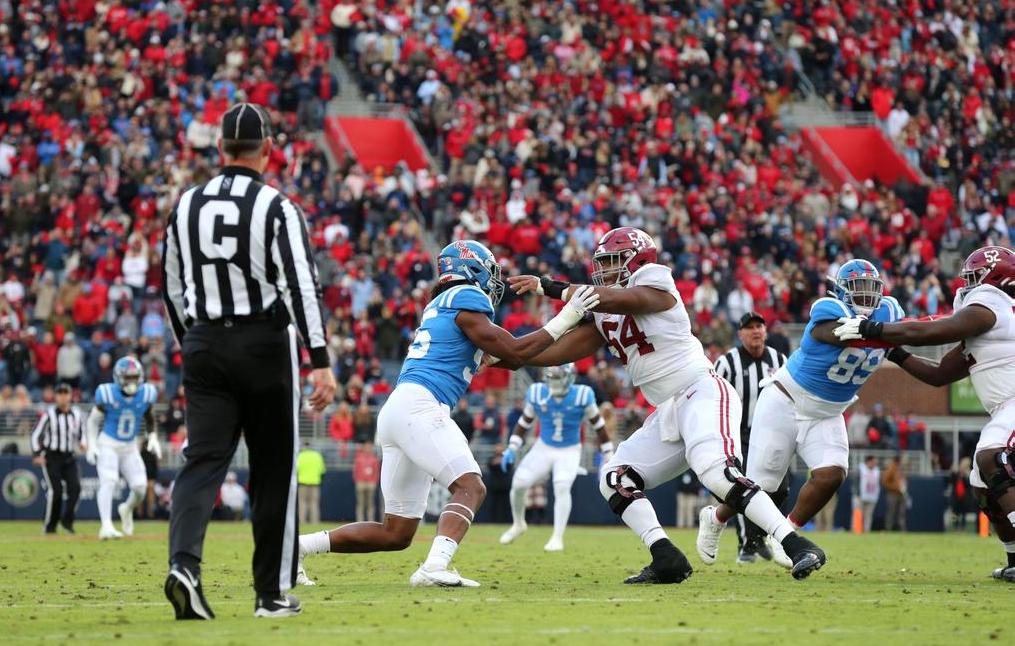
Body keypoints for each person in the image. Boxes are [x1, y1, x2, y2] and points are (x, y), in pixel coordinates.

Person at [507, 227, 826, 583]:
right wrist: (508, 355)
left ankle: (795, 544)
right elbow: (559, 350)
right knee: (614, 478)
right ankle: (666, 557)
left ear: (638, 260)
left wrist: (549, 286)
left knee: (717, 474)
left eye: (613, 261)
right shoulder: (605, 310)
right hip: (669, 409)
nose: (605, 269)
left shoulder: (655, 281)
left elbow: (623, 299)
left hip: (702, 391)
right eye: (603, 263)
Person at [296, 240, 598, 588]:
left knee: (396, 533)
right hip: (422, 405)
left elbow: (518, 357)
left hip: (401, 408)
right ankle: (435, 566)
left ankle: (296, 548)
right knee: (470, 486)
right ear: (472, 269)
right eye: (490, 272)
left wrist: (572, 328)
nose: (493, 282)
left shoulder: (446, 307)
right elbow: (516, 352)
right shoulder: (466, 296)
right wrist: (568, 316)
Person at [161, 103, 338, 619]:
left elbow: (171, 286)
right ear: (268, 149)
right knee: (273, 471)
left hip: (203, 342)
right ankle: (269, 593)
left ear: (219, 148)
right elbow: (302, 285)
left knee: (202, 462)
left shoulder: (186, 205)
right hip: (264, 344)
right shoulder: (277, 207)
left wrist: (191, 343)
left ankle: (184, 565)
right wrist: (319, 358)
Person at [833, 245, 1015, 580]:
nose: (967, 286)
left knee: (991, 457)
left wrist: (873, 330)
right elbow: (938, 375)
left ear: (997, 279)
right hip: (1006, 408)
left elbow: (932, 330)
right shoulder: (989, 329)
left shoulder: (992, 305)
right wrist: (892, 351)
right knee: (981, 483)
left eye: (974, 278)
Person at [713, 259, 905, 564]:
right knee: (760, 487)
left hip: (826, 410)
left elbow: (906, 336)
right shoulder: (828, 310)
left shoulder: (888, 312)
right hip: (782, 404)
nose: (866, 294)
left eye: (871, 287)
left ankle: (784, 535)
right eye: (858, 287)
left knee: (832, 473)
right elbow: (838, 334)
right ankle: (719, 520)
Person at [498, 363, 609, 552]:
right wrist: (512, 447)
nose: (555, 383)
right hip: (544, 447)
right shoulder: (537, 392)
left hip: (569, 449)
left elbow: (599, 425)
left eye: (559, 378)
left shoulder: (582, 395)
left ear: (570, 378)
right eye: (552, 378)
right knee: (519, 483)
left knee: (561, 485)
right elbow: (524, 422)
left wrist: (608, 454)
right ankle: (518, 524)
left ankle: (557, 537)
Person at [713, 311, 788, 563]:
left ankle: (758, 537)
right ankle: (747, 544)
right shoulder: (727, 363)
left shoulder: (779, 359)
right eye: (750, 327)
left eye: (759, 326)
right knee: (746, 485)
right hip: (739, 432)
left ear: (765, 331)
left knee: (780, 488)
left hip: (772, 432)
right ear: (740, 334)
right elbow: (714, 395)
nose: (756, 331)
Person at [85, 357, 160, 540]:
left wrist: (153, 436)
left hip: (130, 446)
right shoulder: (108, 394)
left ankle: (126, 509)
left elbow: (149, 417)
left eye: (134, 377)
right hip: (108, 444)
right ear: (118, 377)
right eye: (127, 377)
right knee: (108, 481)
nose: (131, 381)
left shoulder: (146, 394)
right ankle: (106, 526)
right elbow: (93, 421)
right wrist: (91, 444)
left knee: (140, 488)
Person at [30, 383, 85, 534]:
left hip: (69, 456)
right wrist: (36, 454)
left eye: (65, 393)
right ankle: (50, 525)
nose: (63, 397)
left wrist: (83, 443)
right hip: (52, 457)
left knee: (75, 488)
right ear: (56, 396)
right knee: (56, 491)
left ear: (70, 395)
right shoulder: (49, 414)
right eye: (60, 393)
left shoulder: (77, 414)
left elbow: (82, 433)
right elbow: (36, 435)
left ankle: (67, 522)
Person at [297, 442, 326, 525]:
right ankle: (315, 521)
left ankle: (302, 521)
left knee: (302, 503)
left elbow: (296, 469)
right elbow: (322, 470)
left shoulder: (300, 456)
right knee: (314, 503)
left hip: (302, 482)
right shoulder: (317, 456)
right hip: (315, 483)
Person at [353, 441, 380, 523]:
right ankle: (359, 521)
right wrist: (357, 480)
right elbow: (355, 471)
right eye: (367, 447)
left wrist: (374, 481)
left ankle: (370, 521)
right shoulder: (359, 458)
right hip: (361, 483)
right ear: (364, 448)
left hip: (371, 483)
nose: (368, 449)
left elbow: (376, 471)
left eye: (370, 447)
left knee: (370, 503)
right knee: (360, 503)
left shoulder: (374, 459)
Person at [882, 456, 907, 531]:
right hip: (892, 494)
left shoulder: (901, 469)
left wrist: (903, 487)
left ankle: (902, 529)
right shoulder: (890, 468)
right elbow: (885, 482)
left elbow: (903, 480)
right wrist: (896, 487)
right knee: (891, 512)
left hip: (901, 494)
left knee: (902, 513)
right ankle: (888, 528)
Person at [857, 456, 881, 532]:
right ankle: (857, 530)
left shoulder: (877, 471)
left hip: (872, 496)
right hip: (860, 496)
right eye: (873, 462)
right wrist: (856, 493)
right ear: (868, 462)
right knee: (859, 514)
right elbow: (856, 481)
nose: (874, 464)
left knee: (868, 515)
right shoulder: (861, 469)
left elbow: (878, 484)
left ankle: (867, 530)